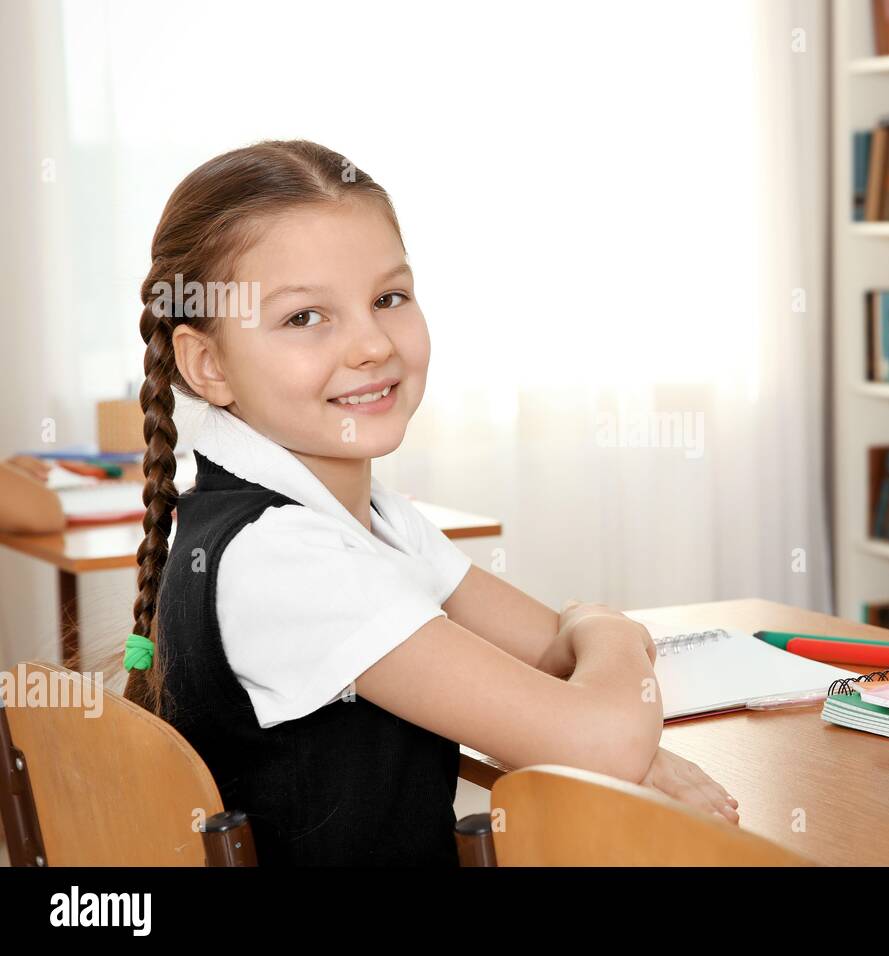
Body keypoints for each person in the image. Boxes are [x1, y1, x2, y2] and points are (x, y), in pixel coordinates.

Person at [120, 140, 737, 865]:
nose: (373, 344)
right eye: (304, 318)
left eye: (388, 299)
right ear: (208, 363)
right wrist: (609, 628)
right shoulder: (284, 558)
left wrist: (605, 707)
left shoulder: (362, 512)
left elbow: (547, 655)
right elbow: (595, 726)